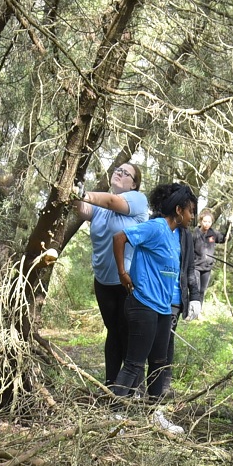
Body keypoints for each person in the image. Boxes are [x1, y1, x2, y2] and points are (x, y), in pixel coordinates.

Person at [110, 182, 199, 434]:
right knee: (134, 363)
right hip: (143, 305)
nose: (192, 217)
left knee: (160, 363)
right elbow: (120, 238)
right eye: (190, 211)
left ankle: (155, 414)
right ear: (179, 210)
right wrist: (123, 273)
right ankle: (114, 415)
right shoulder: (156, 226)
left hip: (162, 309)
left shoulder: (174, 235)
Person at [79, 163, 150, 387]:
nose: (119, 173)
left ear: (134, 183)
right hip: (103, 280)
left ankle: (132, 388)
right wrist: (73, 195)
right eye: (117, 170)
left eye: (125, 173)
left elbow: (110, 201)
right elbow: (84, 210)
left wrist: (84, 194)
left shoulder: (137, 200)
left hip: (127, 279)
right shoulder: (102, 204)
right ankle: (111, 385)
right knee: (113, 332)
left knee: (128, 332)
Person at [183, 212, 227, 319]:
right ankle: (190, 311)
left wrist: (230, 226)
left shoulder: (213, 234)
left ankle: (198, 312)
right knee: (195, 288)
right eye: (205, 221)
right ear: (200, 221)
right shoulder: (195, 233)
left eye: (209, 222)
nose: (207, 224)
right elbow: (189, 249)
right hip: (196, 266)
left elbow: (225, 238)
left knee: (202, 290)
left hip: (207, 267)